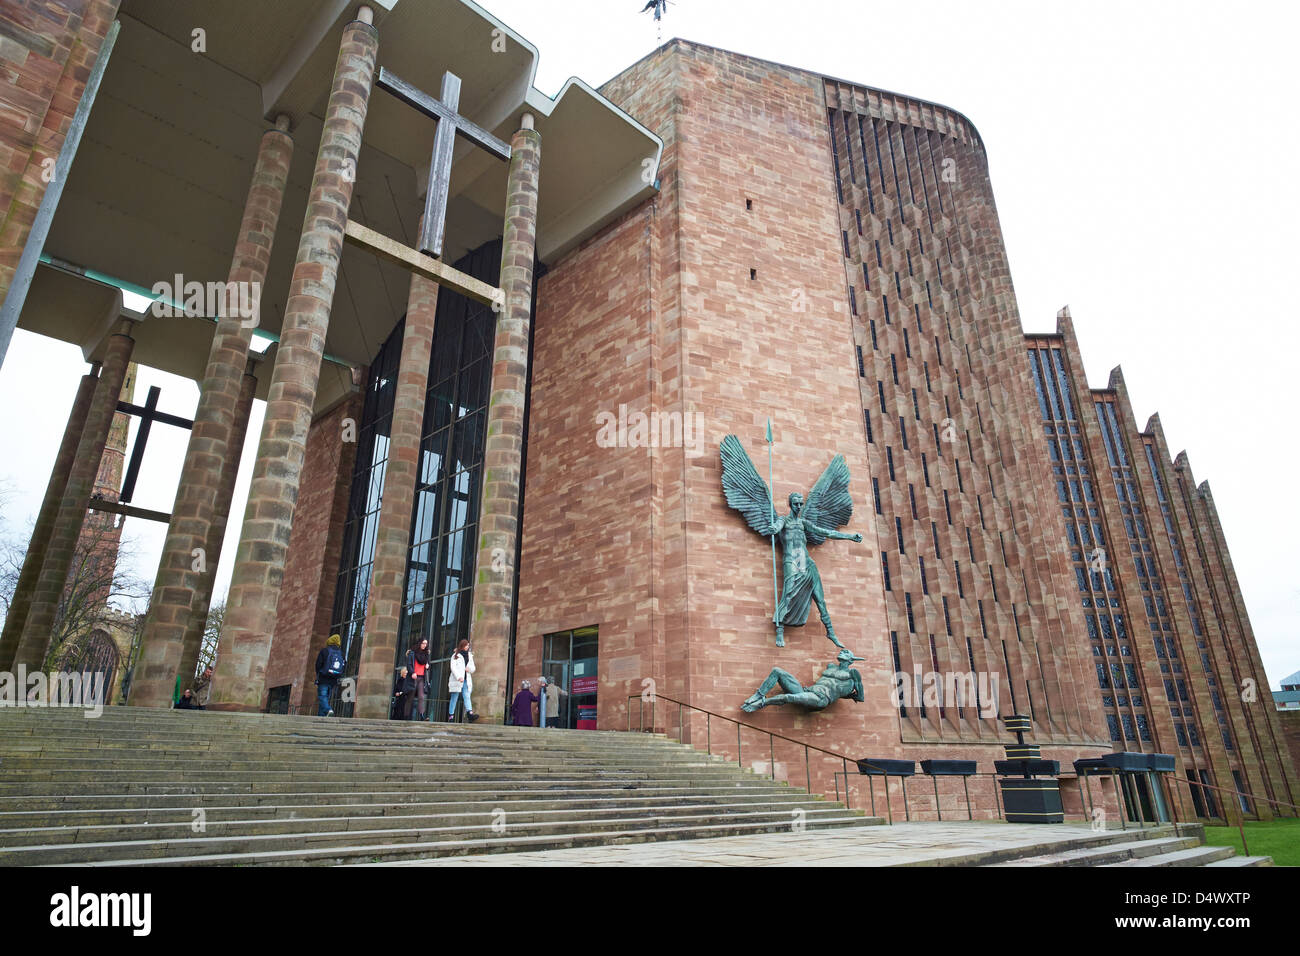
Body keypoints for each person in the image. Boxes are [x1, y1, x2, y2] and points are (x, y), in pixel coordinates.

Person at [447, 638, 478, 722]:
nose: (468, 646)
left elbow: (473, 668)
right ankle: (451, 716)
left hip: (466, 680)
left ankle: (469, 713)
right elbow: (453, 667)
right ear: (463, 645)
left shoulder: (469, 655)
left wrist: (470, 669)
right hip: (457, 680)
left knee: (467, 696)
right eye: (466, 645)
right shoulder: (455, 656)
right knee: (454, 697)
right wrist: (458, 677)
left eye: (468, 645)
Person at [314, 633, 345, 717]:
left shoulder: (325, 651)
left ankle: (328, 709)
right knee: (325, 698)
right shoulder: (341, 653)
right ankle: (321, 716)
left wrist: (318, 674)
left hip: (324, 678)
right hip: (333, 680)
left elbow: (318, 664)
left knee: (322, 696)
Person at [405, 638, 430, 720]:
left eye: (426, 644)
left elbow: (426, 664)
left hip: (421, 677)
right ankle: (406, 716)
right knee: (410, 697)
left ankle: (422, 715)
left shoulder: (426, 654)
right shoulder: (412, 653)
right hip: (413, 677)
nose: (424, 645)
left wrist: (427, 666)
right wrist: (412, 672)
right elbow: (409, 665)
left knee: (421, 697)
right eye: (423, 643)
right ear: (419, 643)